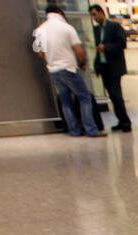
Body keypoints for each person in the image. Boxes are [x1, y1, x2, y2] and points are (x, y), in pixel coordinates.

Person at [33, 4, 104, 138]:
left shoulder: (40, 30)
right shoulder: (67, 28)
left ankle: (74, 130)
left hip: (54, 70)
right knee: (84, 98)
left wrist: (51, 61)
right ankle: (91, 129)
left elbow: (40, 54)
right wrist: (82, 63)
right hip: (69, 68)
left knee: (65, 101)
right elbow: (79, 50)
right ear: (59, 13)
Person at [89, 5, 130, 132]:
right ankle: (121, 120)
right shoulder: (95, 30)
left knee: (116, 95)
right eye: (92, 15)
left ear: (102, 13)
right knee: (112, 95)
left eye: (95, 14)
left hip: (114, 66)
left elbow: (122, 43)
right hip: (103, 67)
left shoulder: (114, 27)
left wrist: (106, 47)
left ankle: (125, 122)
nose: (94, 18)